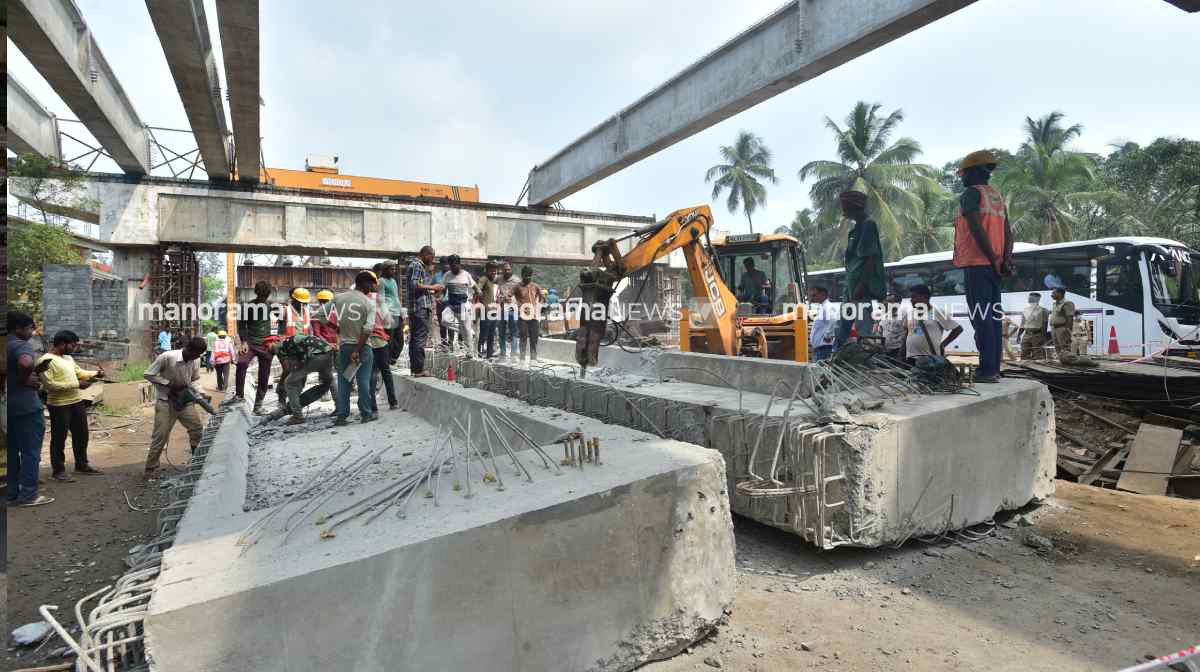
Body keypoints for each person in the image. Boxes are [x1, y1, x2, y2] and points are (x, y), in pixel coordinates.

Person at [952, 150, 1014, 383]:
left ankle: (987, 371)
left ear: (976, 172)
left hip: (978, 264)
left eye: (964, 173)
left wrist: (993, 258)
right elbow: (1009, 232)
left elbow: (977, 228)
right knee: (993, 317)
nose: (962, 178)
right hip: (994, 267)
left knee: (981, 318)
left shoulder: (971, 194)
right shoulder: (996, 196)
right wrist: (1004, 260)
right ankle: (993, 368)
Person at [38, 330, 105, 481]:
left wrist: (95, 374)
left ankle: (81, 465)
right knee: (59, 438)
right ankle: (58, 471)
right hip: (59, 405)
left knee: (82, 435)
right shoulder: (46, 361)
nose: (74, 348)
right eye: (72, 345)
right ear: (62, 344)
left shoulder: (67, 358)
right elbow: (50, 385)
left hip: (76, 402)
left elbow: (79, 372)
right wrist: (77, 384)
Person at [144, 337, 209, 480]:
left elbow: (194, 380)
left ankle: (197, 462)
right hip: (166, 401)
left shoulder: (195, 361)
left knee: (197, 429)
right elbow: (148, 374)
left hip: (185, 400)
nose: (198, 358)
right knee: (160, 435)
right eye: (197, 354)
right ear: (189, 349)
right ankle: (151, 467)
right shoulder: (167, 357)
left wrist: (202, 393)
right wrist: (168, 383)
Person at [7, 312, 53, 507]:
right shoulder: (19, 344)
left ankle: (11, 494)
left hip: (8, 408)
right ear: (18, 328)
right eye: (29, 328)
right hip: (26, 407)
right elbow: (25, 363)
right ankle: (28, 495)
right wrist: (25, 378)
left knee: (11, 451)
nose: (32, 332)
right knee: (30, 452)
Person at [836, 188, 886, 348]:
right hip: (850, 287)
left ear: (853, 206)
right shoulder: (855, 229)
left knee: (863, 327)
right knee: (842, 325)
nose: (843, 209)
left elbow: (871, 258)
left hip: (860, 288)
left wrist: (861, 285)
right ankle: (838, 353)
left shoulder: (868, 225)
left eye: (845, 205)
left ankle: (865, 357)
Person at [333, 271, 379, 425]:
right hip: (362, 348)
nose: (372, 288)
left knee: (344, 382)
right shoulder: (369, 303)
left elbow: (320, 315)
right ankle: (366, 414)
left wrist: (337, 328)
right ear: (364, 283)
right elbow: (367, 330)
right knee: (363, 382)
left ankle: (342, 416)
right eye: (371, 285)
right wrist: (357, 350)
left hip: (345, 347)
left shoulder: (339, 298)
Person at [262, 334, 335, 425]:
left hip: (315, 355)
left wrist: (295, 394)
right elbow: (297, 367)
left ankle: (297, 416)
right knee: (329, 380)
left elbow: (297, 365)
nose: (267, 349)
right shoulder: (289, 344)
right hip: (327, 352)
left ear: (275, 342)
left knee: (289, 382)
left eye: (267, 346)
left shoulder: (285, 345)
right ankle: (340, 407)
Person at [235, 280, 276, 413]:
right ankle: (239, 395)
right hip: (251, 343)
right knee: (242, 363)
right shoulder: (248, 306)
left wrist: (275, 341)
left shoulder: (271, 306)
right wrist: (244, 342)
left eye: (265, 295)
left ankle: (258, 405)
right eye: (261, 295)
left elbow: (284, 321)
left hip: (266, 344)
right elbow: (241, 325)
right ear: (257, 293)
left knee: (264, 375)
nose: (263, 298)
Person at [904, 285, 963, 364]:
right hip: (910, 357)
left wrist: (943, 345)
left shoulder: (938, 312)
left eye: (914, 297)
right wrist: (901, 351)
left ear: (925, 297)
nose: (911, 300)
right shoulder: (910, 313)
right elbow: (907, 332)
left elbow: (958, 329)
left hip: (930, 358)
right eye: (911, 298)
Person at [406, 246, 442, 377]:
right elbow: (414, 285)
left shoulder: (415, 265)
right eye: (432, 256)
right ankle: (419, 370)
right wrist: (433, 286)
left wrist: (432, 291)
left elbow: (418, 288)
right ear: (425, 254)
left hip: (416, 307)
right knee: (420, 339)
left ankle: (415, 369)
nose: (432, 260)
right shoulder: (417, 265)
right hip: (420, 308)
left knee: (415, 339)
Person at [367, 274, 399, 411]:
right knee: (386, 371)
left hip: (366, 341)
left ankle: (373, 406)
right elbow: (388, 322)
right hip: (380, 341)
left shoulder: (359, 299)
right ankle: (393, 402)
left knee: (371, 373)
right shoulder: (380, 300)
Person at [441, 255, 476, 355]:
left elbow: (475, 287)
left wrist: (477, 294)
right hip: (451, 304)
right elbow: (443, 288)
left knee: (467, 330)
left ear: (459, 264)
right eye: (450, 265)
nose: (452, 268)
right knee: (444, 321)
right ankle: (463, 330)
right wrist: (440, 297)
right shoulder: (447, 275)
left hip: (463, 305)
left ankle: (470, 352)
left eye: (454, 265)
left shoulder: (466, 275)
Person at [512, 266, 544, 362]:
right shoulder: (517, 287)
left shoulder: (535, 286)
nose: (528, 278)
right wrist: (516, 305)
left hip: (534, 316)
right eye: (526, 276)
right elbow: (508, 296)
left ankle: (533, 358)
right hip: (522, 316)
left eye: (529, 276)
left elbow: (542, 297)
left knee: (534, 338)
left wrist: (539, 305)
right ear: (522, 275)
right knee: (523, 337)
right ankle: (522, 358)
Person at [379, 260, 406, 364]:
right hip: (389, 313)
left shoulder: (393, 281)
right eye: (391, 269)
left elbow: (396, 297)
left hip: (397, 313)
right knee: (389, 339)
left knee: (399, 340)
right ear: (385, 270)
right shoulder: (381, 281)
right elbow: (381, 299)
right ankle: (387, 360)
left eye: (394, 269)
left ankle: (393, 359)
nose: (393, 271)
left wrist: (401, 312)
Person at [475, 261, 502, 359]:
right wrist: (479, 293)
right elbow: (478, 288)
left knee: (491, 335)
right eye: (492, 271)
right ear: (487, 270)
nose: (494, 273)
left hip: (494, 312)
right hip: (485, 312)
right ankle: (480, 354)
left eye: (495, 271)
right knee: (483, 334)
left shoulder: (494, 282)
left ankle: (489, 355)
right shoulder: (484, 279)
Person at [498, 261, 521, 360]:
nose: (506, 271)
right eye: (505, 269)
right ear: (502, 270)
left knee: (514, 332)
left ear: (511, 269)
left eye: (508, 269)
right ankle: (503, 353)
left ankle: (514, 354)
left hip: (513, 309)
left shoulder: (517, 280)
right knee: (501, 332)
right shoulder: (498, 279)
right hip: (501, 309)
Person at [807, 286, 837, 361]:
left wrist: (828, 335)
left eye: (814, 295)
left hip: (824, 350)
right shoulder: (823, 307)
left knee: (821, 372)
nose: (812, 298)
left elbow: (833, 320)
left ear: (822, 295)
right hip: (820, 349)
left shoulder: (827, 306)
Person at [1017, 292, 1050, 360]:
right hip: (1027, 334)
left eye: (1031, 297)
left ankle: (1038, 369)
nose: (1029, 299)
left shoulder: (1043, 310)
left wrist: (1043, 337)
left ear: (1037, 299)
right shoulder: (1025, 310)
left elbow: (1045, 324)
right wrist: (1019, 335)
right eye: (1029, 297)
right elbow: (1022, 324)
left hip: (1037, 335)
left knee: (1038, 356)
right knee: (1024, 354)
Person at [877, 293, 907, 362]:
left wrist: (901, 352)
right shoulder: (884, 316)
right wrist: (879, 345)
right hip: (885, 351)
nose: (885, 303)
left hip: (898, 351)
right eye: (886, 301)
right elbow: (880, 332)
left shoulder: (904, 315)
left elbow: (907, 334)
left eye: (889, 301)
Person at [1049, 286, 1076, 360]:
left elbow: (1069, 318)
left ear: (1060, 293)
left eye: (1054, 293)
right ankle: (1062, 362)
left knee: (1065, 348)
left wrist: (1068, 330)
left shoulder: (1067, 303)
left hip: (1062, 329)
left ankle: (1068, 364)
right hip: (1054, 329)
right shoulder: (1054, 304)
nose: (1052, 295)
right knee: (1057, 348)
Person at [432, 256, 451, 346]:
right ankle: (444, 344)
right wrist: (435, 298)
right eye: (444, 264)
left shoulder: (452, 276)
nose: (446, 266)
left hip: (450, 304)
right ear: (440, 265)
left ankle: (451, 345)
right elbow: (431, 289)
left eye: (447, 264)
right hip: (440, 304)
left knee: (450, 324)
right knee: (442, 325)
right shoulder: (436, 276)